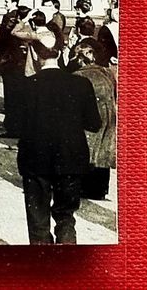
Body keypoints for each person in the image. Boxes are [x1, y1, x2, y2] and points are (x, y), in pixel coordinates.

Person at [17, 36, 101, 245]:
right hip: (71, 158)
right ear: (61, 53)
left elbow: (17, 126)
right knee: (66, 217)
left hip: (35, 159)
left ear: (35, 55)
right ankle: (67, 261)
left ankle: (43, 268)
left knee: (38, 221)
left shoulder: (27, 85)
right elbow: (94, 123)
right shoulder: (81, 84)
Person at [71, 40, 117, 201]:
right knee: (104, 149)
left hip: (92, 115)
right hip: (110, 114)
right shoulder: (107, 72)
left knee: (89, 148)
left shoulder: (79, 75)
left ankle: (86, 187)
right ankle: (100, 189)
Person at [0, 0, 27, 138]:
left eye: (7, 2)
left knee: (11, 96)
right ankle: (15, 125)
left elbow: (3, 37)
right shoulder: (20, 21)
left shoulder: (10, 19)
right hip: (18, 62)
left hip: (9, 61)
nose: (4, 4)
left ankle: (12, 127)